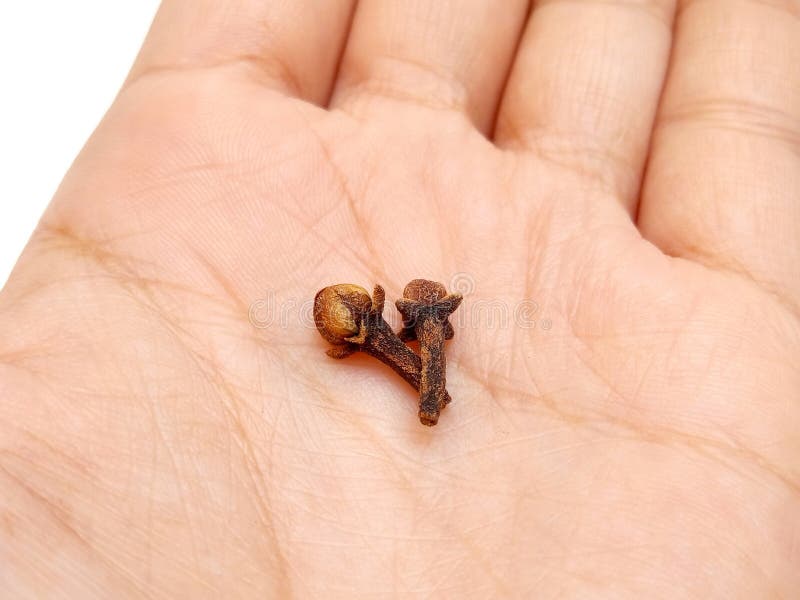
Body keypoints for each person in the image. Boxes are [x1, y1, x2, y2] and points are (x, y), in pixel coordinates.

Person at [1, 1, 798, 597]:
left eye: (414, 331)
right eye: (370, 331)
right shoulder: (392, 336)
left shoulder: (409, 337)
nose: (410, 344)